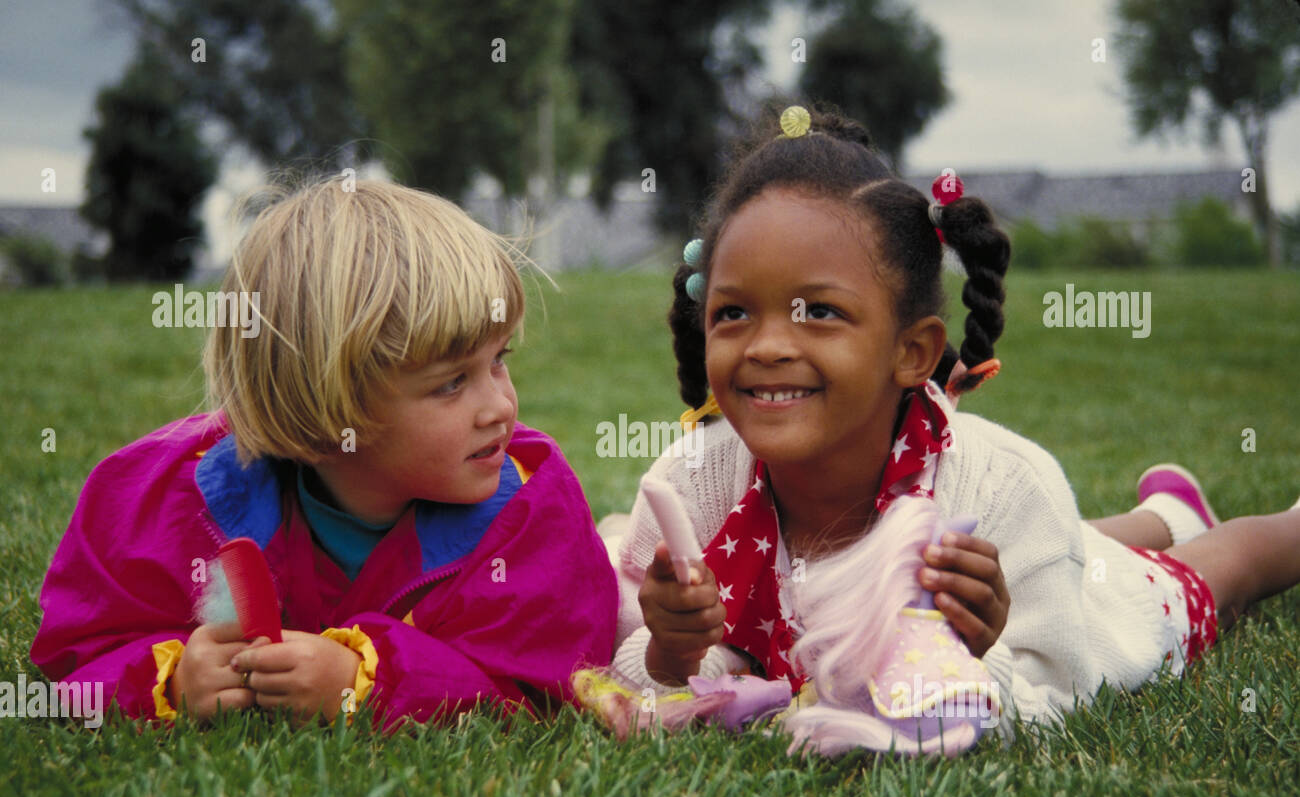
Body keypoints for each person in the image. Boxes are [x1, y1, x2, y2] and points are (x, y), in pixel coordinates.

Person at [608, 106, 1300, 743]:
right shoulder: (691, 483)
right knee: (1080, 546)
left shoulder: (1005, 490)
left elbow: (1054, 695)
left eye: (817, 311)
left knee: (1208, 575)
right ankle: (1167, 511)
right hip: (1046, 551)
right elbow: (633, 665)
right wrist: (671, 650)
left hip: (1087, 605)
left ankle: (1263, 529)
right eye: (733, 313)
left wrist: (973, 657)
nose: (764, 346)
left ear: (913, 352)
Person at [30, 177, 617, 729]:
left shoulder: (530, 508)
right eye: (450, 383)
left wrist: (368, 680)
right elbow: (76, 654)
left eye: (499, 360)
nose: (502, 407)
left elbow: (549, 684)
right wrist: (171, 679)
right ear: (329, 405)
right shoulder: (163, 498)